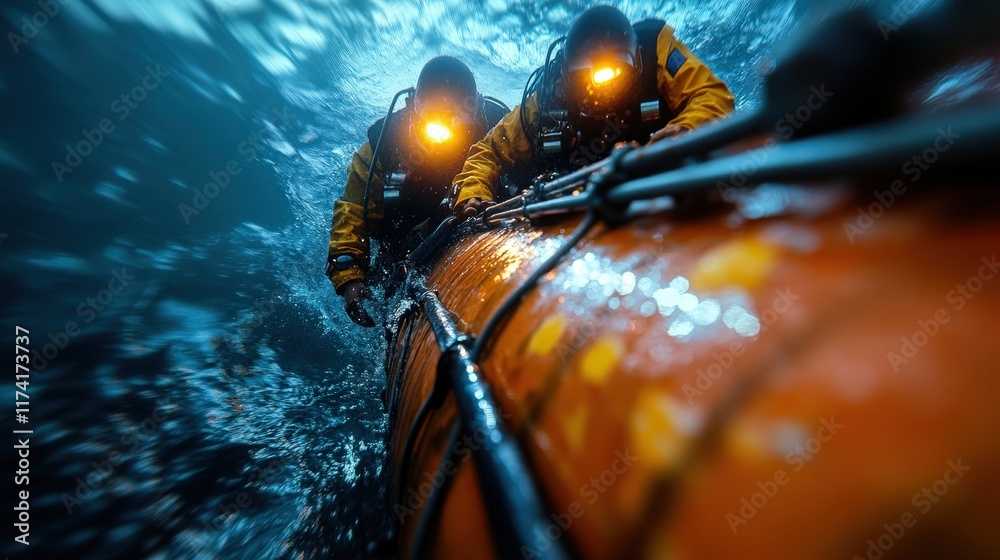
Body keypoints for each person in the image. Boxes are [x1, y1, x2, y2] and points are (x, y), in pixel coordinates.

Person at [452, 5, 736, 217]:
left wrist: (681, 136)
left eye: (615, 74)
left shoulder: (656, 51)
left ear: (636, 62)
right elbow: (489, 150)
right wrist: (472, 193)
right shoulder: (549, 98)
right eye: (584, 79)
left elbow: (711, 96)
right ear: (568, 74)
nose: (600, 91)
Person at [327, 56, 509, 327]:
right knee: (387, 282)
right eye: (434, 111)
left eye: (456, 114)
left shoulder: (495, 131)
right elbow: (353, 210)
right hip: (401, 244)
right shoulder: (383, 146)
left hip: (472, 231)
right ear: (413, 104)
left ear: (474, 108)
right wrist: (350, 274)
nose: (446, 125)